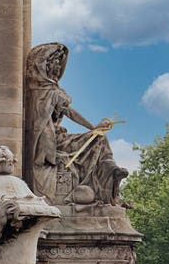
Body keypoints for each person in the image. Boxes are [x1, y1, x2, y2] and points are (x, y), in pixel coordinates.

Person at [24, 42, 128, 205]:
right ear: (45, 65)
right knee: (97, 139)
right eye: (54, 63)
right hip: (52, 141)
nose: (58, 68)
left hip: (60, 137)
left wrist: (94, 128)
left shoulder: (53, 89)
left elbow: (69, 111)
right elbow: (62, 115)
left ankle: (110, 172)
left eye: (60, 64)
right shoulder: (41, 89)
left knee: (99, 138)